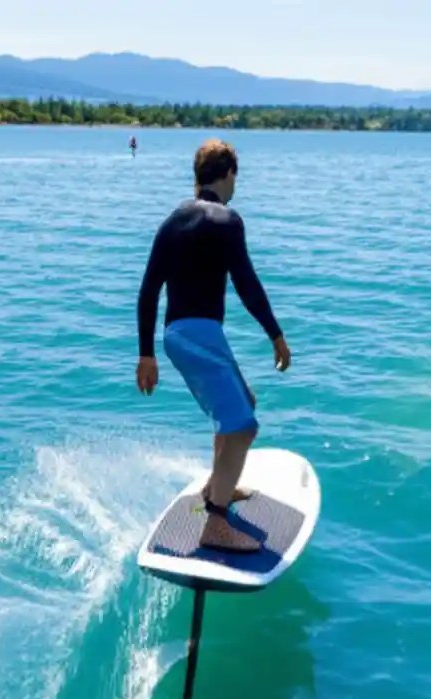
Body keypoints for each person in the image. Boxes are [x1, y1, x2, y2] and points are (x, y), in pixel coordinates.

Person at [136, 138, 292, 553]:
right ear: (229, 175)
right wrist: (275, 334)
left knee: (243, 402)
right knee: (242, 425)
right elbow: (246, 284)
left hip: (178, 336)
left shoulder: (172, 221)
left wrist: (146, 353)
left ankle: (215, 487)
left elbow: (149, 291)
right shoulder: (227, 220)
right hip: (199, 336)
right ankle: (216, 524)